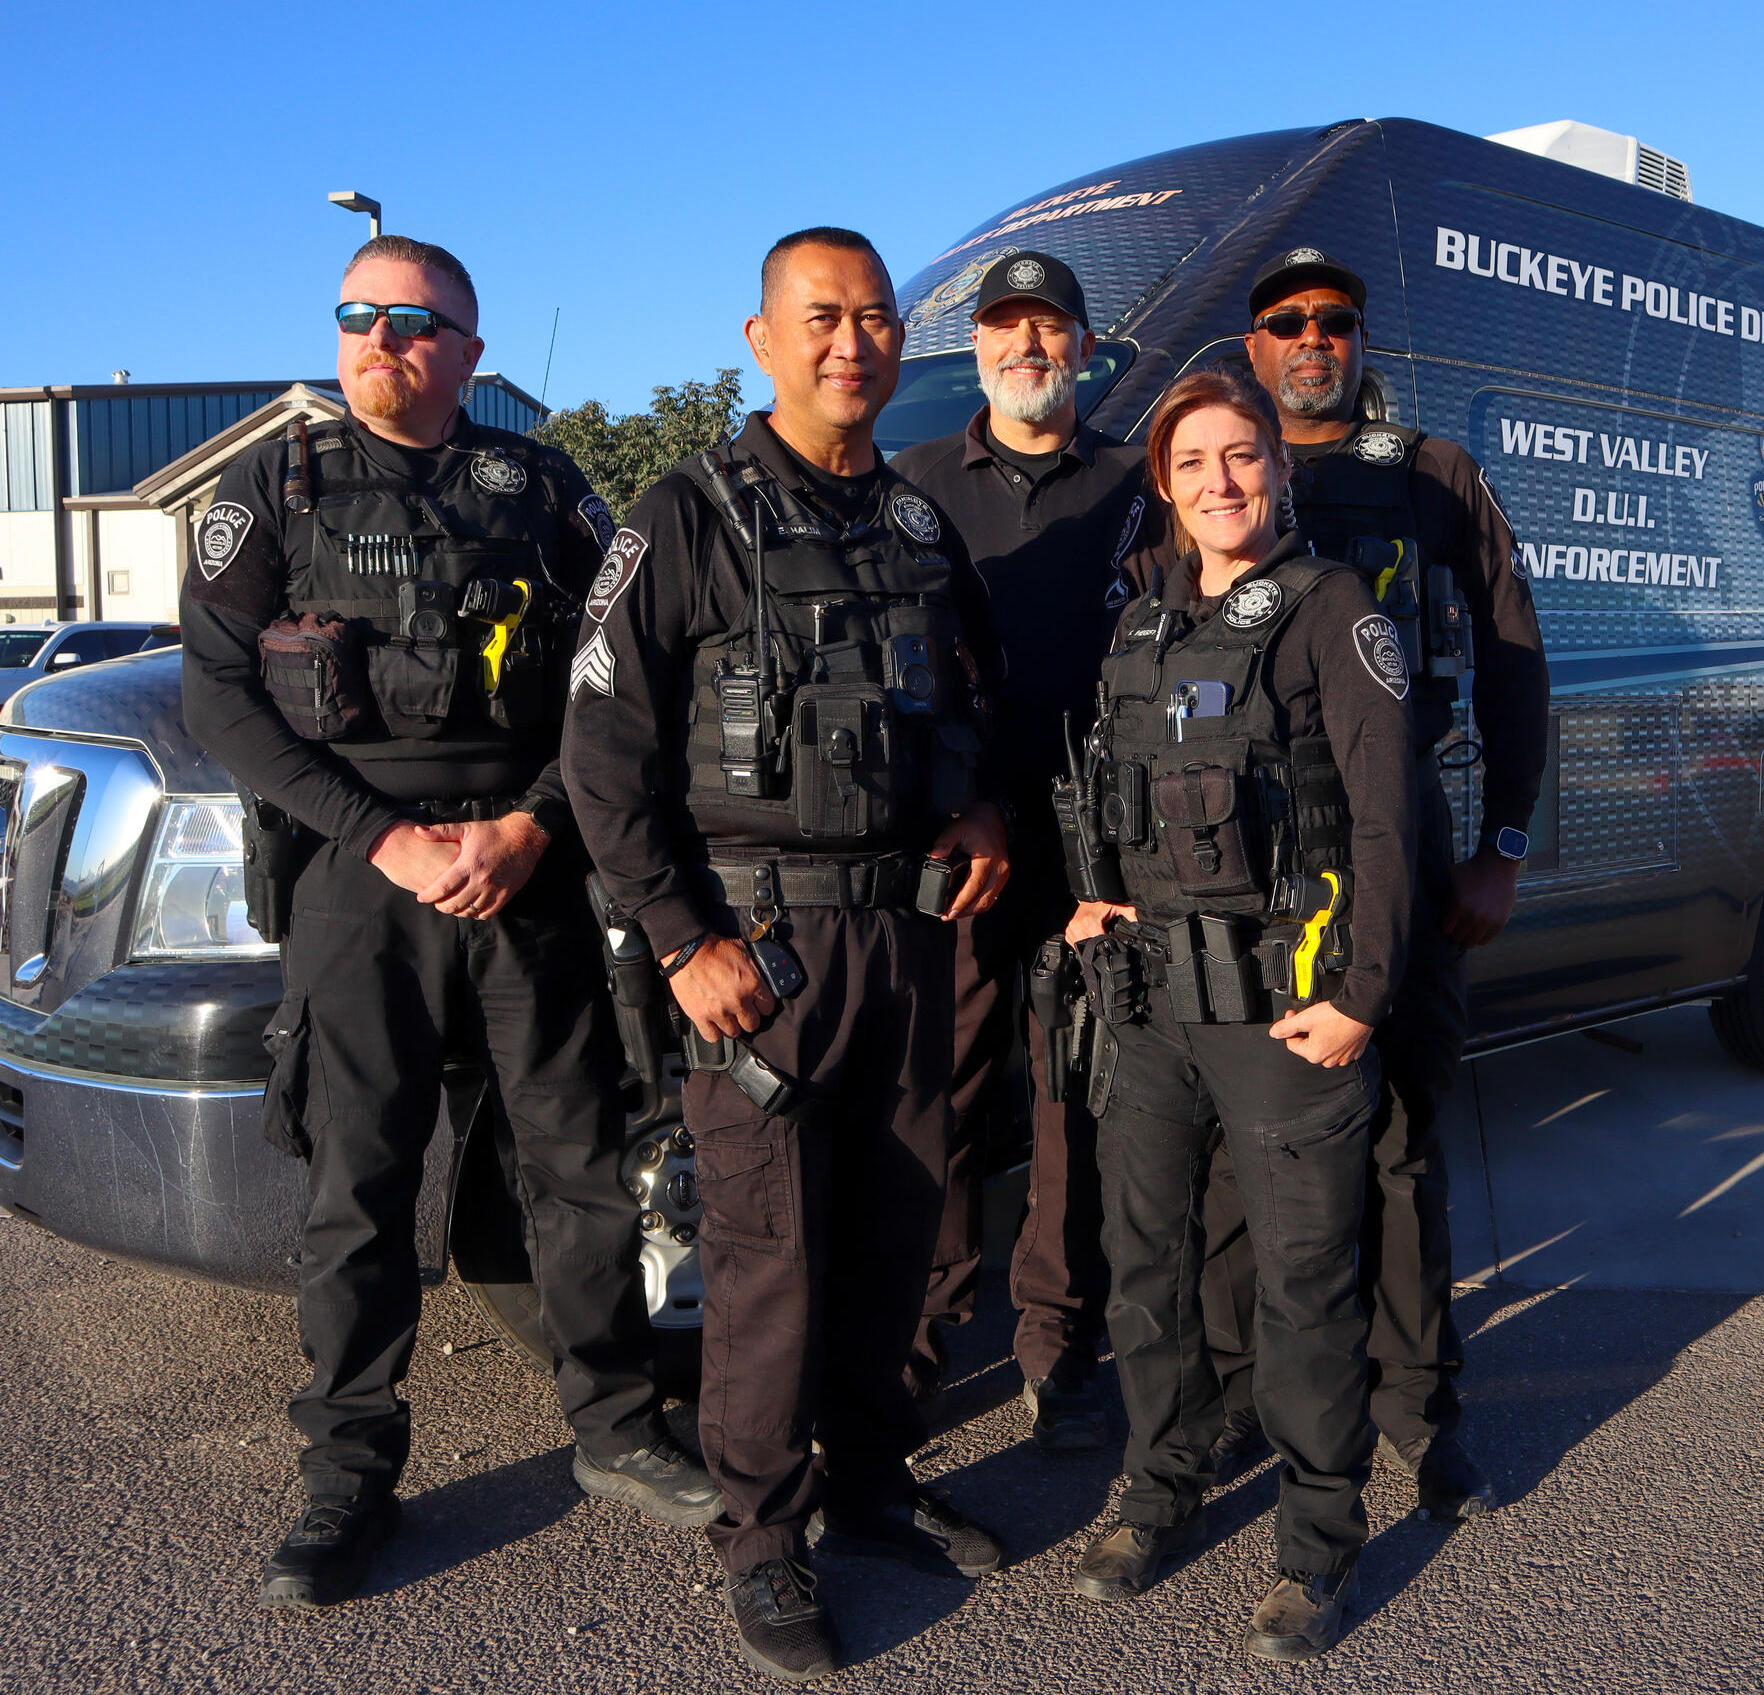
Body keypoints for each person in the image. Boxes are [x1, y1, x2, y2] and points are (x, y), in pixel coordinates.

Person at [183, 236, 712, 1612]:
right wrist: (383, 839)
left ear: (471, 353)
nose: (382, 339)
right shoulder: (272, 486)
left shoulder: (539, 486)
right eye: (359, 313)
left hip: (526, 869)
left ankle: (616, 1428)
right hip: (363, 878)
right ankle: (348, 1472)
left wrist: (532, 825)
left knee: (576, 1163)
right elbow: (219, 698)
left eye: (416, 321)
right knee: (357, 1187)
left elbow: (616, 677)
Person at [561, 228, 1012, 1685]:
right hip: (757, 950)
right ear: (760, 339)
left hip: (907, 934)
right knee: (769, 1256)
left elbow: (978, 700)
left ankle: (872, 1480)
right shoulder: (684, 514)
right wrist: (679, 938)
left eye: (874, 317)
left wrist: (984, 808)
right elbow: (600, 755)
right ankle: (762, 1533)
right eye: (820, 317)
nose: (851, 342)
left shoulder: (920, 521)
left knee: (900, 1228)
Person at [1061, 366, 1417, 1660]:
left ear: (1277, 465)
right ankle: (1158, 1489)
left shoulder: (1333, 611)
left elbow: (1384, 820)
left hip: (1285, 1005)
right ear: (1164, 485)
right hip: (1150, 1000)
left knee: (1302, 1283)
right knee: (1147, 1267)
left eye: (1242, 454)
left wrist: (1361, 996)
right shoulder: (1140, 624)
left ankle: (1318, 1539)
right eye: (1192, 462)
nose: (1220, 481)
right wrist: (1094, 896)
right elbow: (1115, 789)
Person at [1202, 246, 1551, 1516]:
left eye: (1334, 320)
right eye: (1286, 320)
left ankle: (1417, 1407)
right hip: (1243, 866)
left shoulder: (1432, 474)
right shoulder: (1215, 476)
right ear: (1252, 345)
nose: (1313, 339)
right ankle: (1238, 1391)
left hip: (1402, 840)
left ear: (1357, 338)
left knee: (1400, 1142)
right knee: (1239, 1149)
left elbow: (1512, 661)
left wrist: (1498, 845)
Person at [894, 250, 1167, 1449]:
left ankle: (1058, 1339)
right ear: (976, 347)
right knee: (938, 1089)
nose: (1026, 346)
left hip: (1093, 847)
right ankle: (921, 1331)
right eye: (1004, 326)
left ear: (1083, 347)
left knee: (1074, 1097)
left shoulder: (1139, 485)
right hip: (955, 837)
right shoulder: (912, 484)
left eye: (1048, 326)